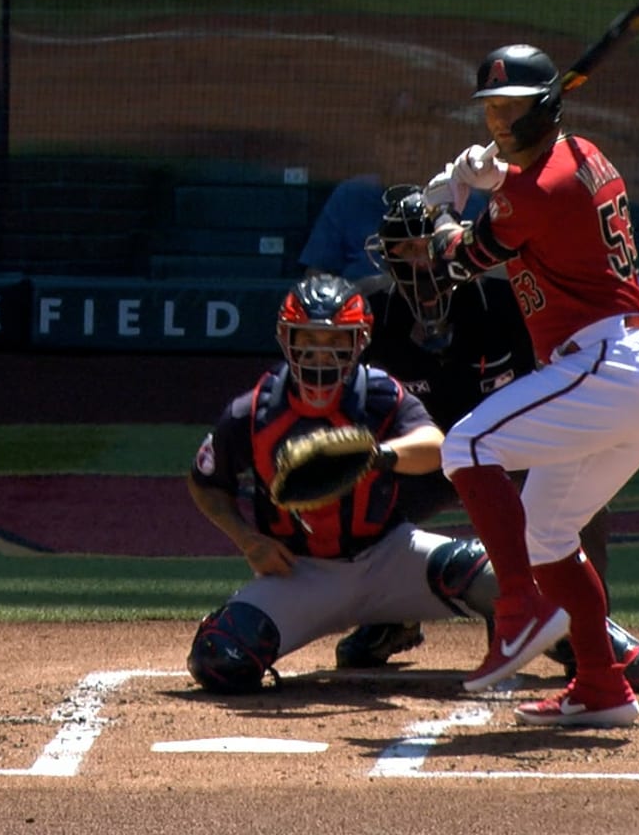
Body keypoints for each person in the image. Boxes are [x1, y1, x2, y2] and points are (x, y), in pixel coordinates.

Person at [332, 185, 639, 707]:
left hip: (515, 449)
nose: (418, 262)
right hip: (424, 455)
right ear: (384, 257)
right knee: (359, 494)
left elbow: (559, 395)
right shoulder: (374, 318)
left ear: (451, 244)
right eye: (403, 251)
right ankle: (390, 618)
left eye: (425, 245)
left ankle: (576, 628)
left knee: (572, 501)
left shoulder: (509, 305)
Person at [418, 44, 639, 727]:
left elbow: (462, 260)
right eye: (492, 110)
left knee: (466, 446)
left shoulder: (537, 191)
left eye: (513, 110)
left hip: (609, 363)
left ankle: (518, 609)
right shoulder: (578, 156)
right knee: (546, 534)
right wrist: (498, 175)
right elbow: (527, 189)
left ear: (548, 105)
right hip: (636, 369)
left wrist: (444, 207)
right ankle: (602, 686)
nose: (500, 121)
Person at [186, 274, 520, 694]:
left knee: (509, 578)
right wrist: (247, 539)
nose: (320, 355)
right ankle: (382, 629)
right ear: (286, 339)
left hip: (389, 556)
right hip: (299, 574)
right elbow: (205, 482)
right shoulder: (252, 411)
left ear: (359, 342)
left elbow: (435, 445)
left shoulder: (379, 393)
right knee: (219, 660)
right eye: (308, 339)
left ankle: (606, 653)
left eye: (335, 342)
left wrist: (377, 455)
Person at [297, 90, 486, 288]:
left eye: (419, 140)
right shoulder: (350, 196)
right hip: (364, 313)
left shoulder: (467, 200)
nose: (409, 149)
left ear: (436, 145)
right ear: (379, 146)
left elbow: (488, 281)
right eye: (397, 140)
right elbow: (316, 277)